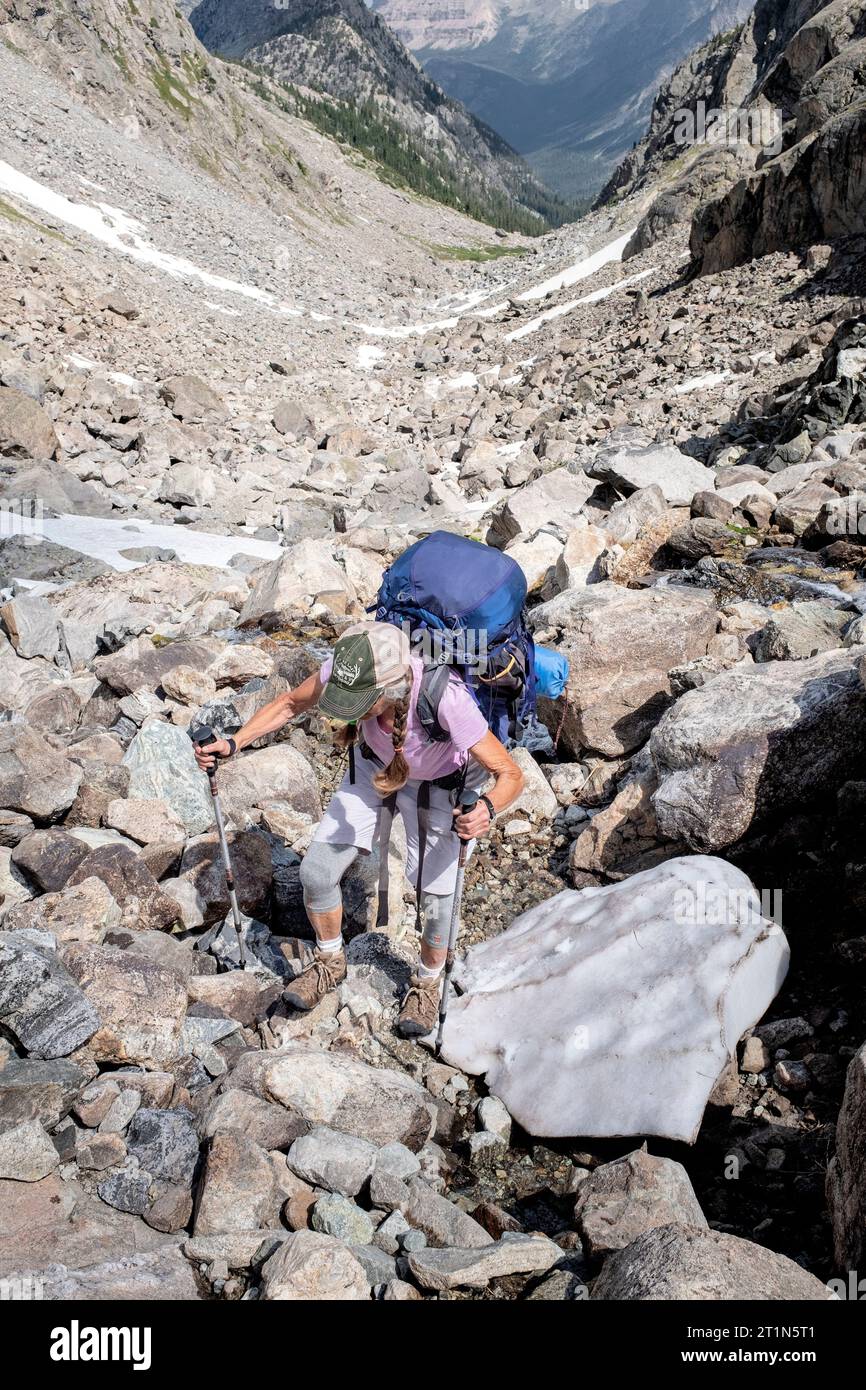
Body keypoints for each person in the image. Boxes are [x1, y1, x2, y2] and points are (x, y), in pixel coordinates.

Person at [194, 621, 525, 1037]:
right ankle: (330, 961)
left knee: (438, 903)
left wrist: (488, 809)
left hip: (442, 787)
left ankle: (426, 983)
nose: (345, 709)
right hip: (376, 767)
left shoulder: (446, 699)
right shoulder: (349, 666)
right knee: (315, 872)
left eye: (358, 703)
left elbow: (510, 773)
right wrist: (234, 743)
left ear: (391, 690)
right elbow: (289, 705)